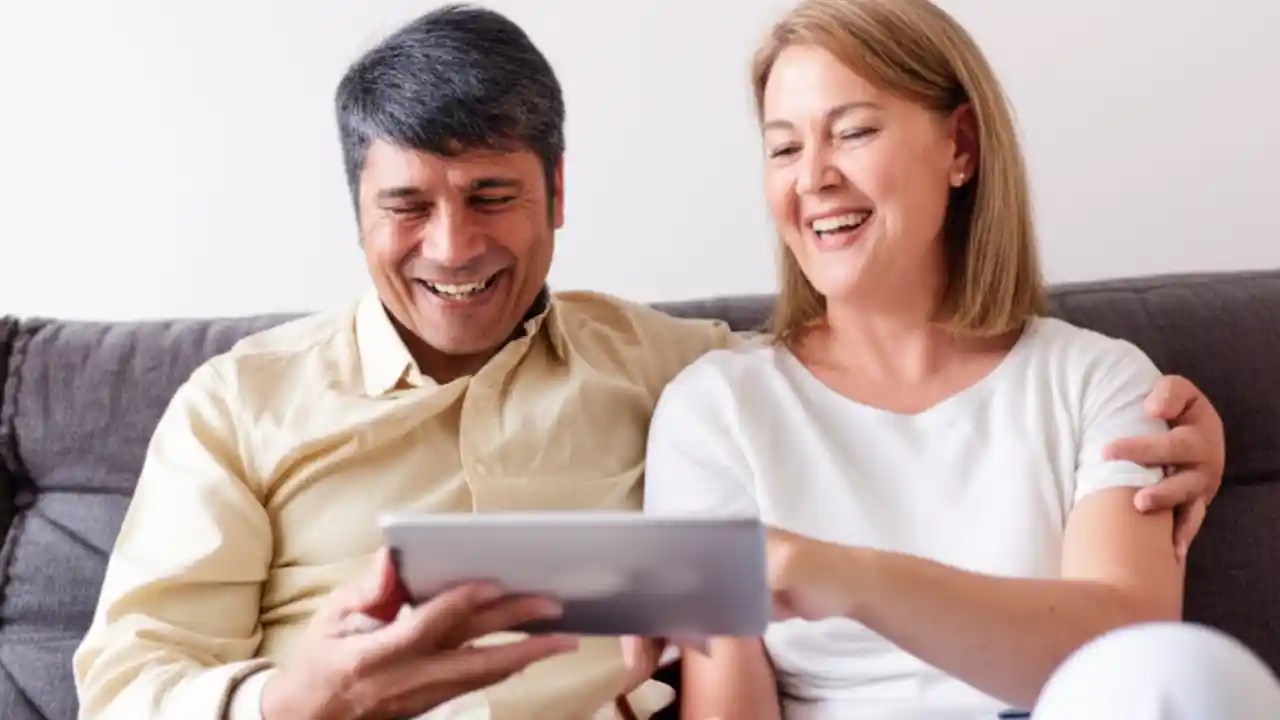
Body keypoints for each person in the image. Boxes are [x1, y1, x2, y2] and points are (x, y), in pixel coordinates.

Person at [73, 4, 1226, 720]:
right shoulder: (240, 406)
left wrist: (1169, 430)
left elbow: (866, 381)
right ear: (356, 210)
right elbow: (123, 684)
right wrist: (288, 702)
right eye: (407, 206)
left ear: (557, 194)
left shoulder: (666, 371)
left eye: (492, 196)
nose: (452, 248)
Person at [642, 0, 1276, 718]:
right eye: (784, 148)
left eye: (853, 132)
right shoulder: (717, 408)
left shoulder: (1097, 383)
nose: (812, 177)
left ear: (961, 147)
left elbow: (1133, 659)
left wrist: (847, 577)